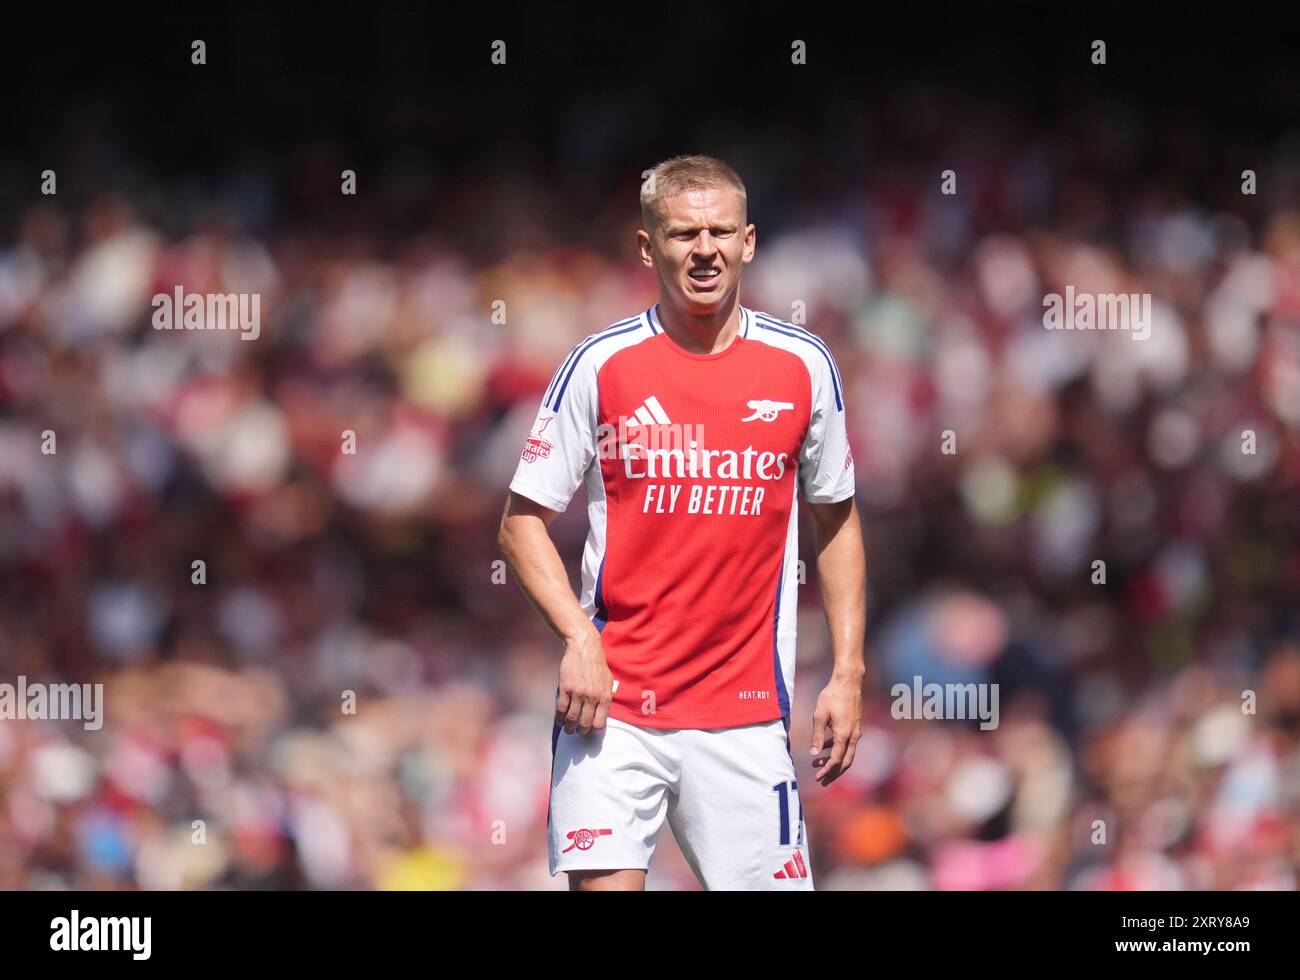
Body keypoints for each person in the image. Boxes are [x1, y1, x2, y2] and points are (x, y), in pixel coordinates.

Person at [498, 155, 867, 890]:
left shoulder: (804, 365)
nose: (705, 248)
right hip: (613, 712)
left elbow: (837, 519)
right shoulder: (600, 365)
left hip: (747, 717)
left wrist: (849, 672)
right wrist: (578, 638)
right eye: (684, 233)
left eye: (721, 231)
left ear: (749, 241)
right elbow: (520, 522)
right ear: (648, 247)